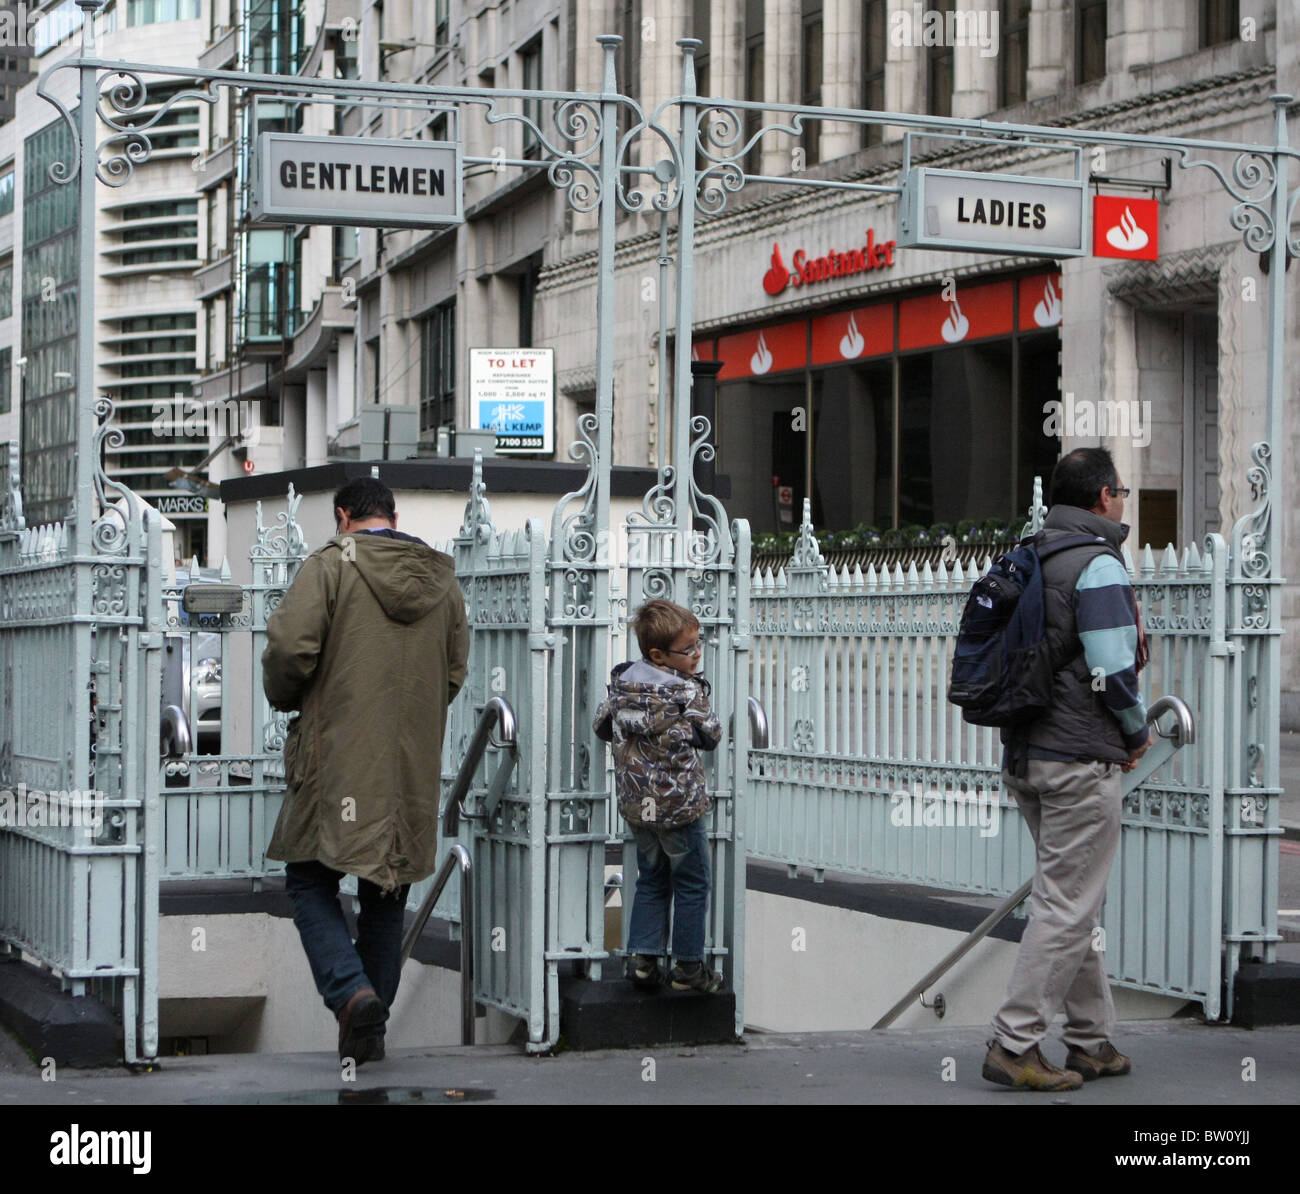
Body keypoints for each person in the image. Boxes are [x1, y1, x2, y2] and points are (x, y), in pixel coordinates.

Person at [263, 477, 469, 1065]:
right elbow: (453, 672)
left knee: (308, 878)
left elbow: (287, 652)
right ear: (394, 515)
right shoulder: (441, 579)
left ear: (343, 516)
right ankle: (367, 1034)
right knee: (386, 891)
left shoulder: (331, 566)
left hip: (334, 757)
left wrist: (290, 696)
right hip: (408, 767)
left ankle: (351, 994)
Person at [982, 447, 1151, 1091]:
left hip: (1028, 754)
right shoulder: (1097, 563)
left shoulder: (1032, 554)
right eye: (1123, 491)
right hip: (1080, 758)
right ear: (1104, 496)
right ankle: (1015, 1042)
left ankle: (1089, 1040)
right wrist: (1134, 734)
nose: (1123, 501)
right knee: (1068, 904)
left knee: (1072, 900)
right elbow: (1112, 663)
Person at [594, 599, 724, 993]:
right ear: (658, 654)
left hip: (638, 808)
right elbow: (712, 735)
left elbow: (601, 726)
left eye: (699, 644)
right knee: (691, 882)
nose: (697, 653)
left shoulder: (621, 684)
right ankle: (687, 967)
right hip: (680, 808)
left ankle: (643, 961)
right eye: (689, 649)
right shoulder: (685, 692)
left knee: (650, 879)